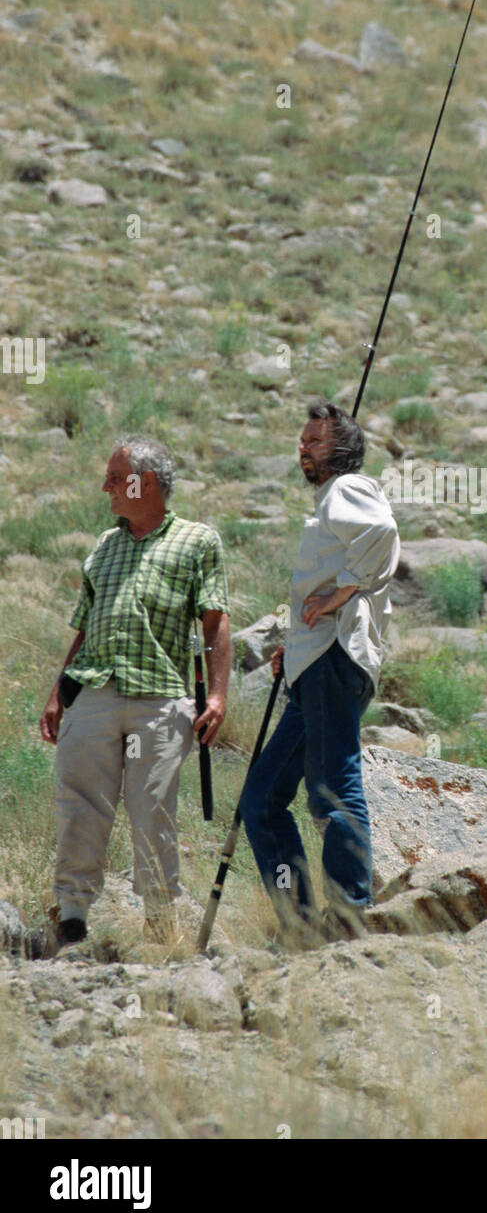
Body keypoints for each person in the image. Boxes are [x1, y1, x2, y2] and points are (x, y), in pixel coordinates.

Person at [39, 435, 230, 948]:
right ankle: (73, 917)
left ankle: (160, 924)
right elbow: (85, 625)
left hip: (160, 698)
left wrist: (216, 695)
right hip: (94, 689)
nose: (105, 486)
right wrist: (60, 692)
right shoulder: (105, 545)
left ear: (144, 482)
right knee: (81, 805)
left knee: (151, 811)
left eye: (112, 476)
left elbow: (214, 621)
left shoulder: (197, 541)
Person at [240, 401, 400, 941]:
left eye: (315, 440)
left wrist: (342, 591)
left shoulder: (347, 488)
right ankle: (301, 921)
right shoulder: (329, 500)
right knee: (261, 800)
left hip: (335, 658)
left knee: (334, 788)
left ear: (342, 450)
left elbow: (382, 531)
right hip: (315, 661)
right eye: (302, 440)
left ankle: (353, 914)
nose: (303, 447)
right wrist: (296, 645)